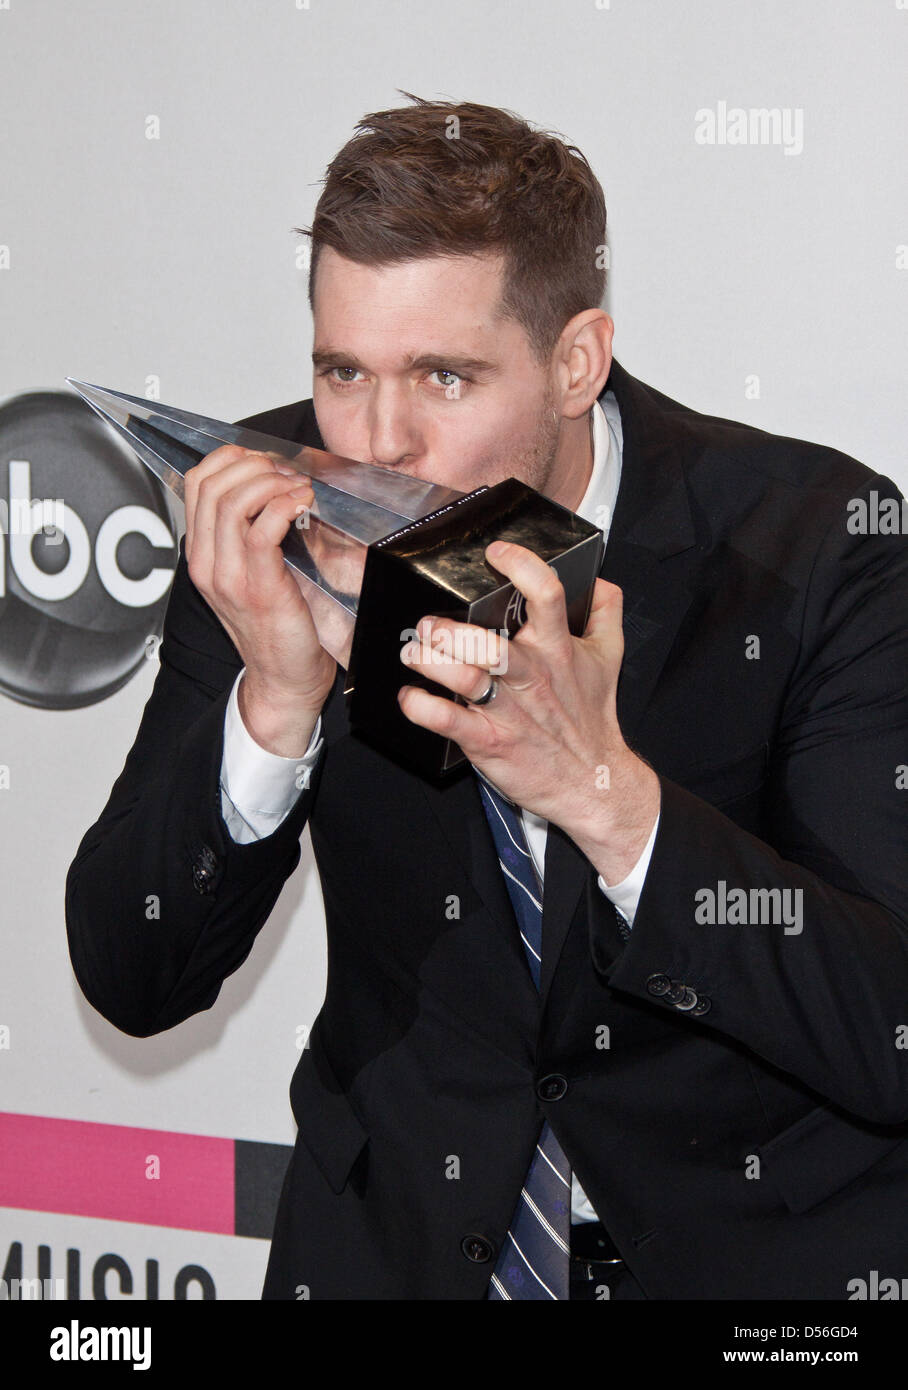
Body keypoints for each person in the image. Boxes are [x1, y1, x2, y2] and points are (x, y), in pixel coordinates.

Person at [65, 93, 908, 1301]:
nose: (378, 439)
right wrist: (276, 702)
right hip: (395, 1254)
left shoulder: (809, 545)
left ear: (575, 362)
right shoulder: (267, 515)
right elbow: (132, 976)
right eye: (341, 370)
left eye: (444, 378)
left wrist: (606, 801)